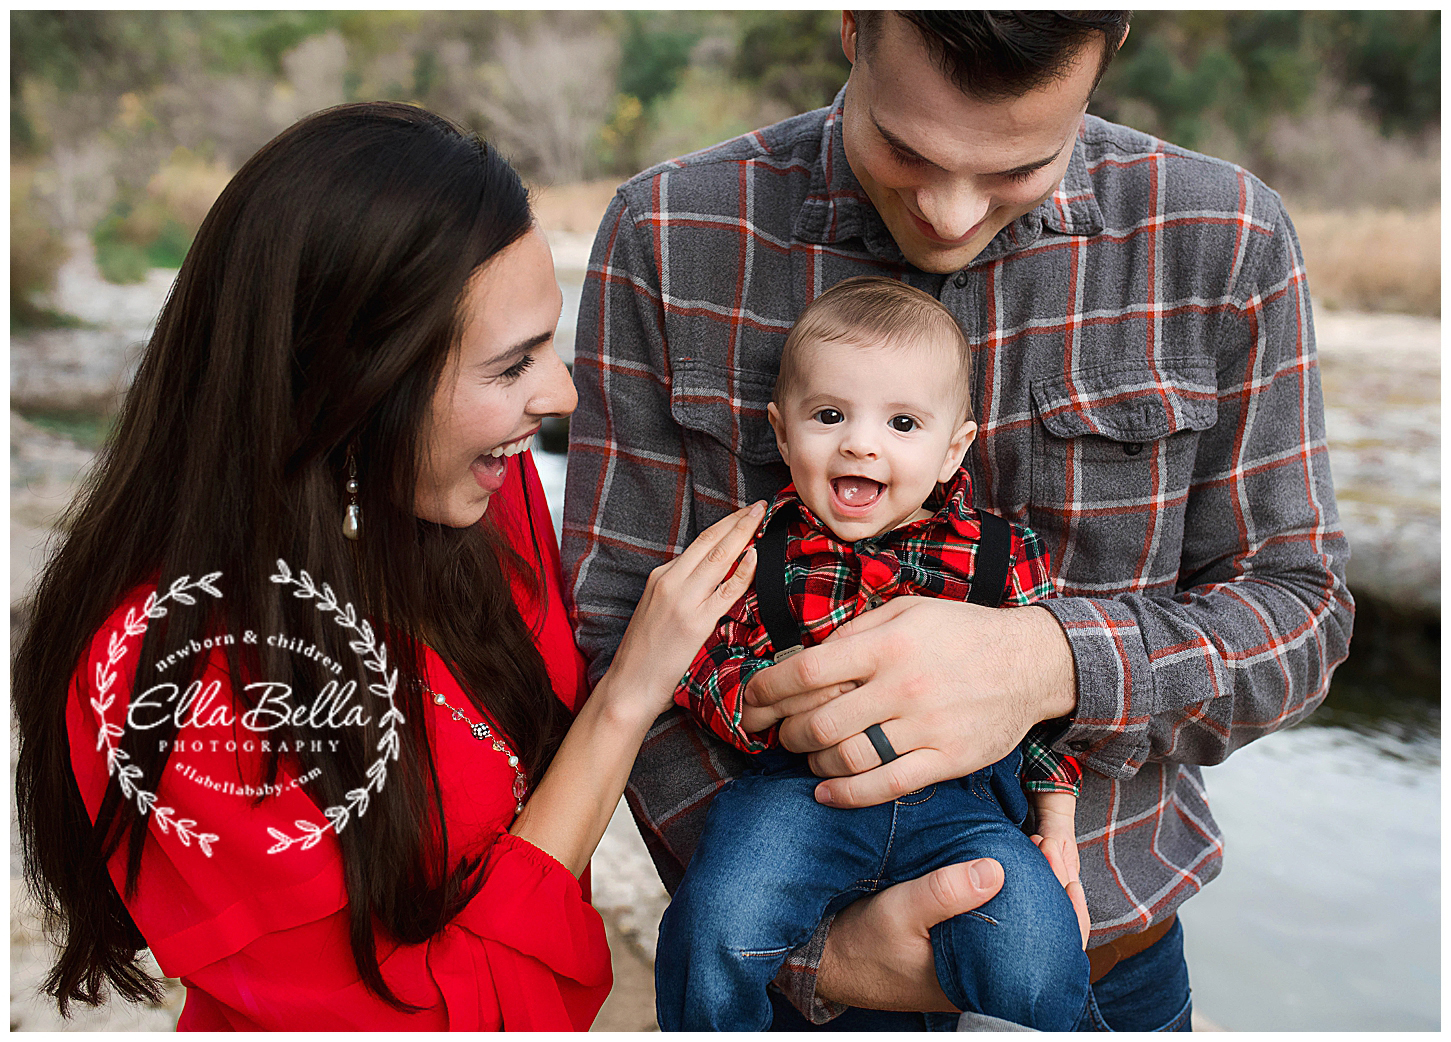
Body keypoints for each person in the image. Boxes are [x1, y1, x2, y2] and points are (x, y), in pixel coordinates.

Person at [561, 11, 1353, 1031]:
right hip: (781, 983)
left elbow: (1300, 613)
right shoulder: (670, 234)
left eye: (1015, 167)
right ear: (853, 24)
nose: (944, 211)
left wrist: (1048, 660)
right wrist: (814, 957)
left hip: (1107, 964)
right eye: (905, 148)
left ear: (1107, 43)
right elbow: (610, 626)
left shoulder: (1223, 240)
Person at [12, 101, 771, 1030]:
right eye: (511, 365)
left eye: (551, 342)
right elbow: (427, 1017)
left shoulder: (481, 492)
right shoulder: (177, 679)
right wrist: (625, 699)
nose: (560, 392)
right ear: (349, 386)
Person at [655, 276, 1090, 1031]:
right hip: (802, 796)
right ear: (782, 433)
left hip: (962, 808)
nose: (860, 442)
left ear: (954, 449)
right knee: (716, 921)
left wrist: (1055, 818)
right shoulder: (755, 550)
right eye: (829, 416)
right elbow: (696, 666)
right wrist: (750, 698)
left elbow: (1046, 713)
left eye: (901, 423)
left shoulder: (1001, 554)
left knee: (1038, 948)